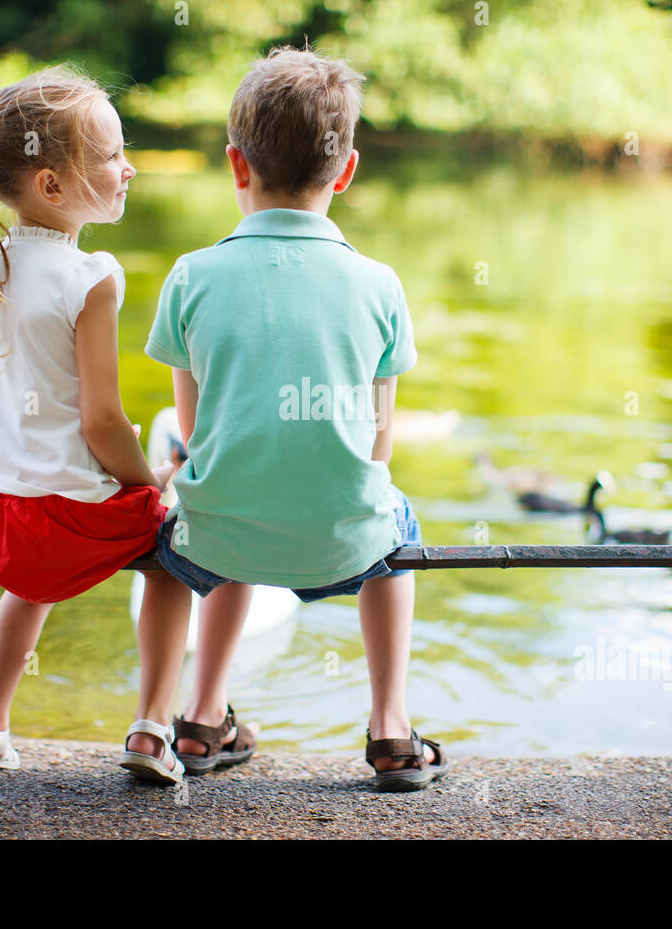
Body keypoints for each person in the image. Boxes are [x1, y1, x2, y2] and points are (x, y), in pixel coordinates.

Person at [132, 47, 447, 791]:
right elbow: (378, 442)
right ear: (346, 171)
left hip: (221, 537)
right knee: (396, 520)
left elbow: (200, 433)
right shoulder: (380, 284)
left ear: (236, 165)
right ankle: (392, 729)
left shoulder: (191, 275)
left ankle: (203, 720)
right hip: (346, 539)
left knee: (228, 478)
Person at [0, 66, 192, 783]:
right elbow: (105, 423)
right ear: (51, 185)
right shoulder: (92, 276)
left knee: (34, 568)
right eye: (111, 156)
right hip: (59, 522)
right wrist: (153, 484)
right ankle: (150, 728)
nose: (128, 166)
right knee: (176, 551)